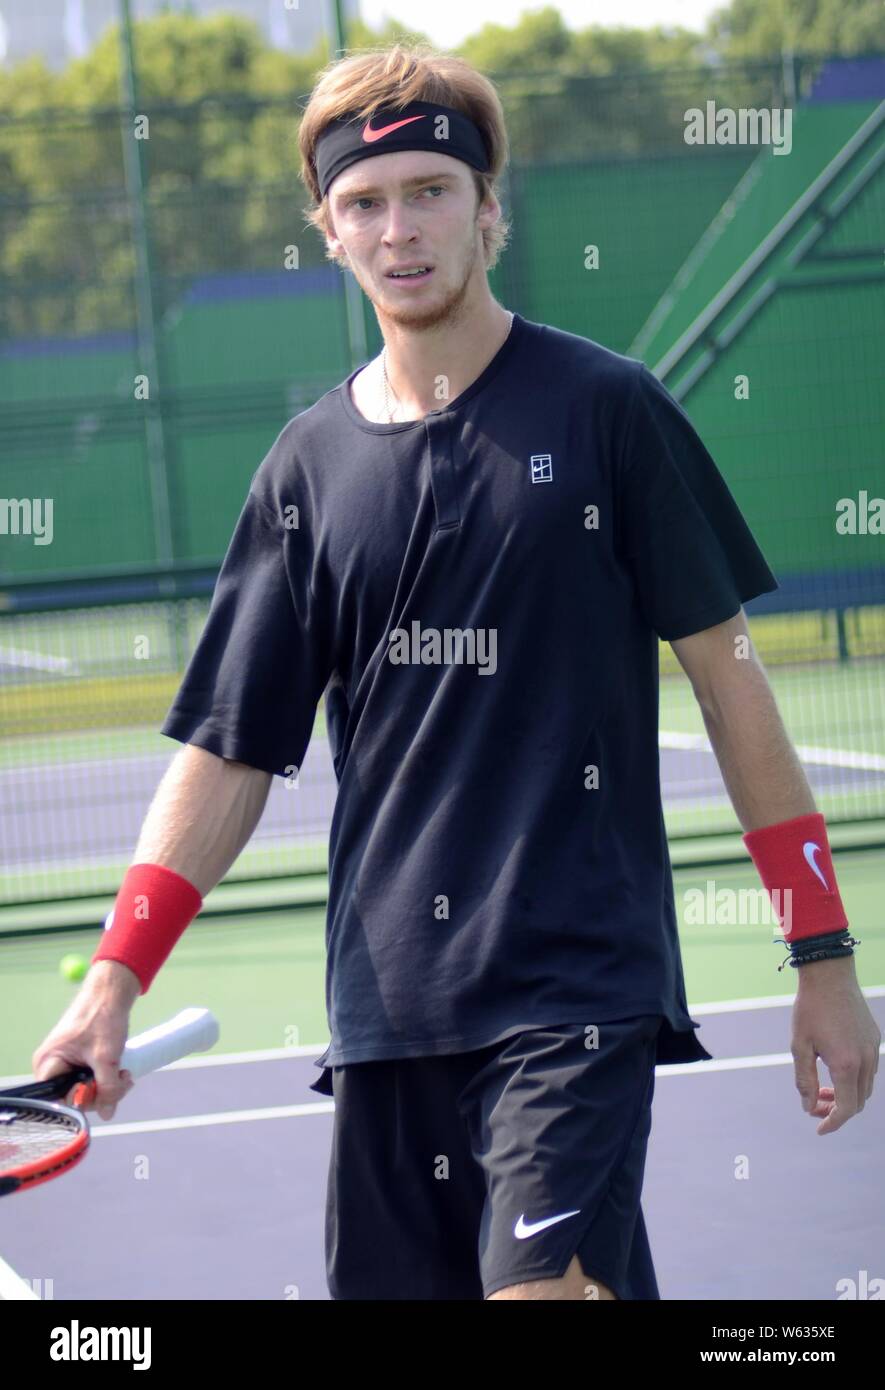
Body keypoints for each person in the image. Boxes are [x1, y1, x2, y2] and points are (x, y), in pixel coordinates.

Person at [32, 42, 880, 1302]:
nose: (400, 228)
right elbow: (227, 754)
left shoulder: (611, 411)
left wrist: (823, 956)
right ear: (327, 230)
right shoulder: (304, 470)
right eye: (364, 203)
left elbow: (732, 680)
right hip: (385, 1017)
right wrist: (111, 986)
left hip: (579, 988)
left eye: (430, 190)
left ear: (491, 208)